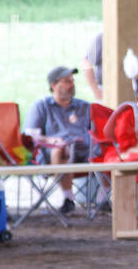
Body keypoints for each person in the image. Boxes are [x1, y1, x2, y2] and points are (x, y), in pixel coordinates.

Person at [25, 66, 95, 215]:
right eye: (66, 81)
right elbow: (30, 135)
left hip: (85, 153)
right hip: (54, 155)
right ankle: (68, 199)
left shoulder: (85, 107)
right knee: (62, 148)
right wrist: (52, 140)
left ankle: (105, 199)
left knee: (107, 149)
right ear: (53, 85)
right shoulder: (41, 106)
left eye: (72, 81)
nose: (71, 84)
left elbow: (98, 132)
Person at [83, 32, 138, 102]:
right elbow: (87, 63)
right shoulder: (101, 38)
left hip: (130, 91)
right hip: (105, 91)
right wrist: (96, 91)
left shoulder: (132, 39)